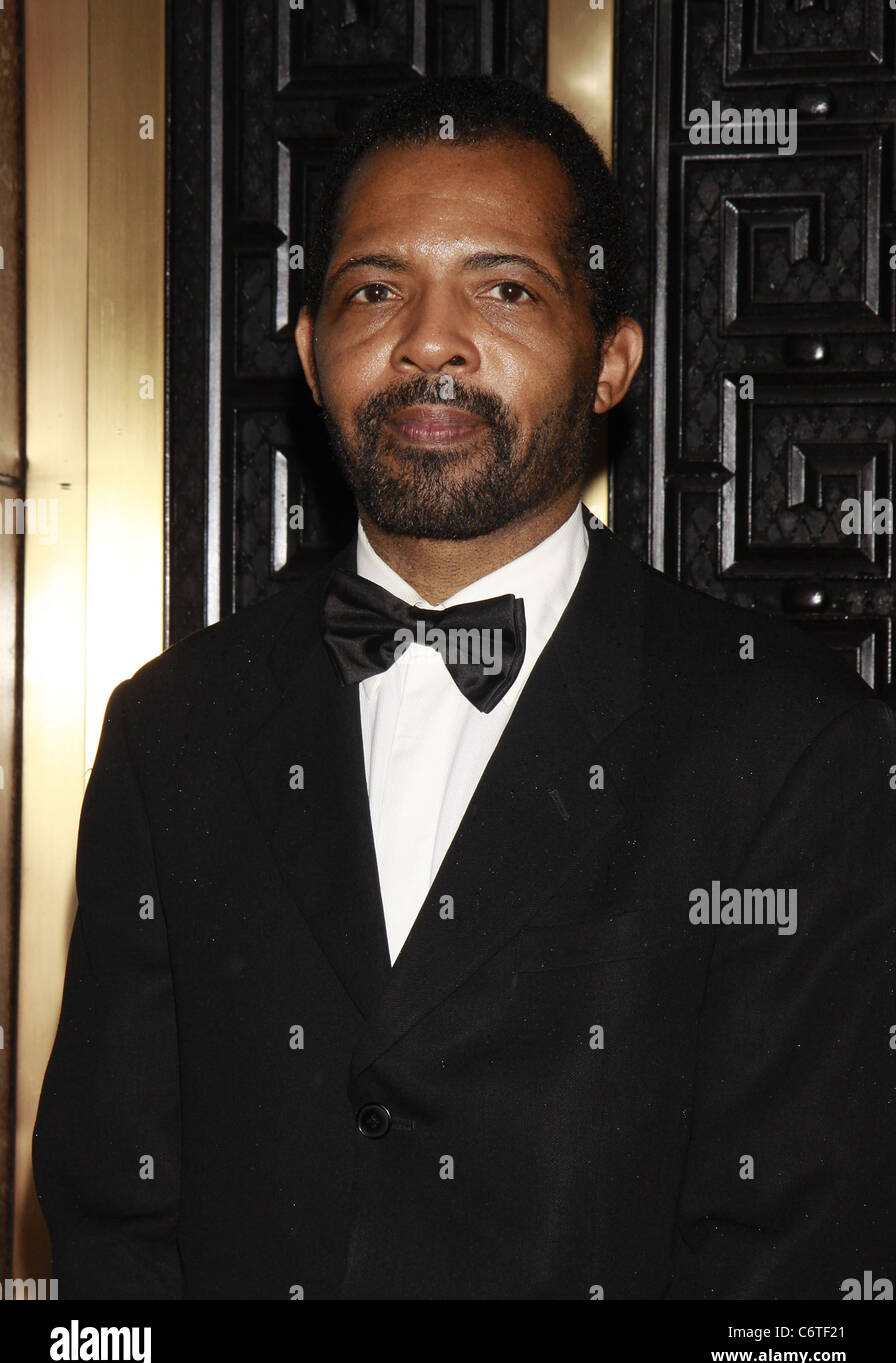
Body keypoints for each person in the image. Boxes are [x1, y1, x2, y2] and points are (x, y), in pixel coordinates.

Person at [33, 75, 895, 1300]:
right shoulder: (171, 726)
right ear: (310, 354)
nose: (427, 341)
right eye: (373, 290)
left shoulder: (789, 741)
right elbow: (110, 1213)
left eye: (503, 289)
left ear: (610, 362)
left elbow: (796, 1261)